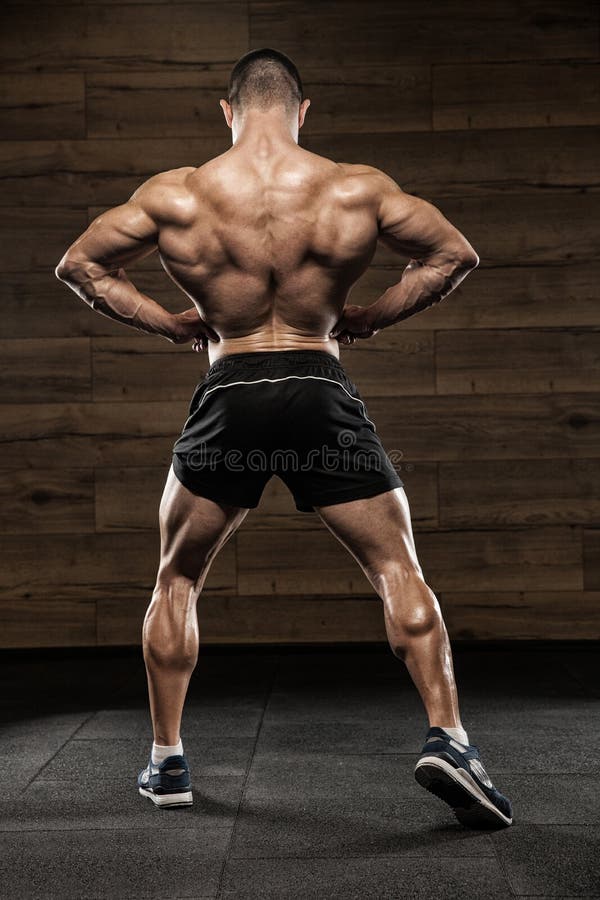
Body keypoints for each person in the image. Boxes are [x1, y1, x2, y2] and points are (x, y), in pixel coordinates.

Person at [55, 47, 512, 829]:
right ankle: (452, 740)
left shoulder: (177, 194)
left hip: (230, 389)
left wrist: (167, 323)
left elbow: (81, 267)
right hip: (317, 386)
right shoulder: (354, 187)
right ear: (303, 111)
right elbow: (452, 256)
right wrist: (373, 314)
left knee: (177, 578)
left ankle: (167, 762)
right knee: (396, 566)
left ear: (227, 111)